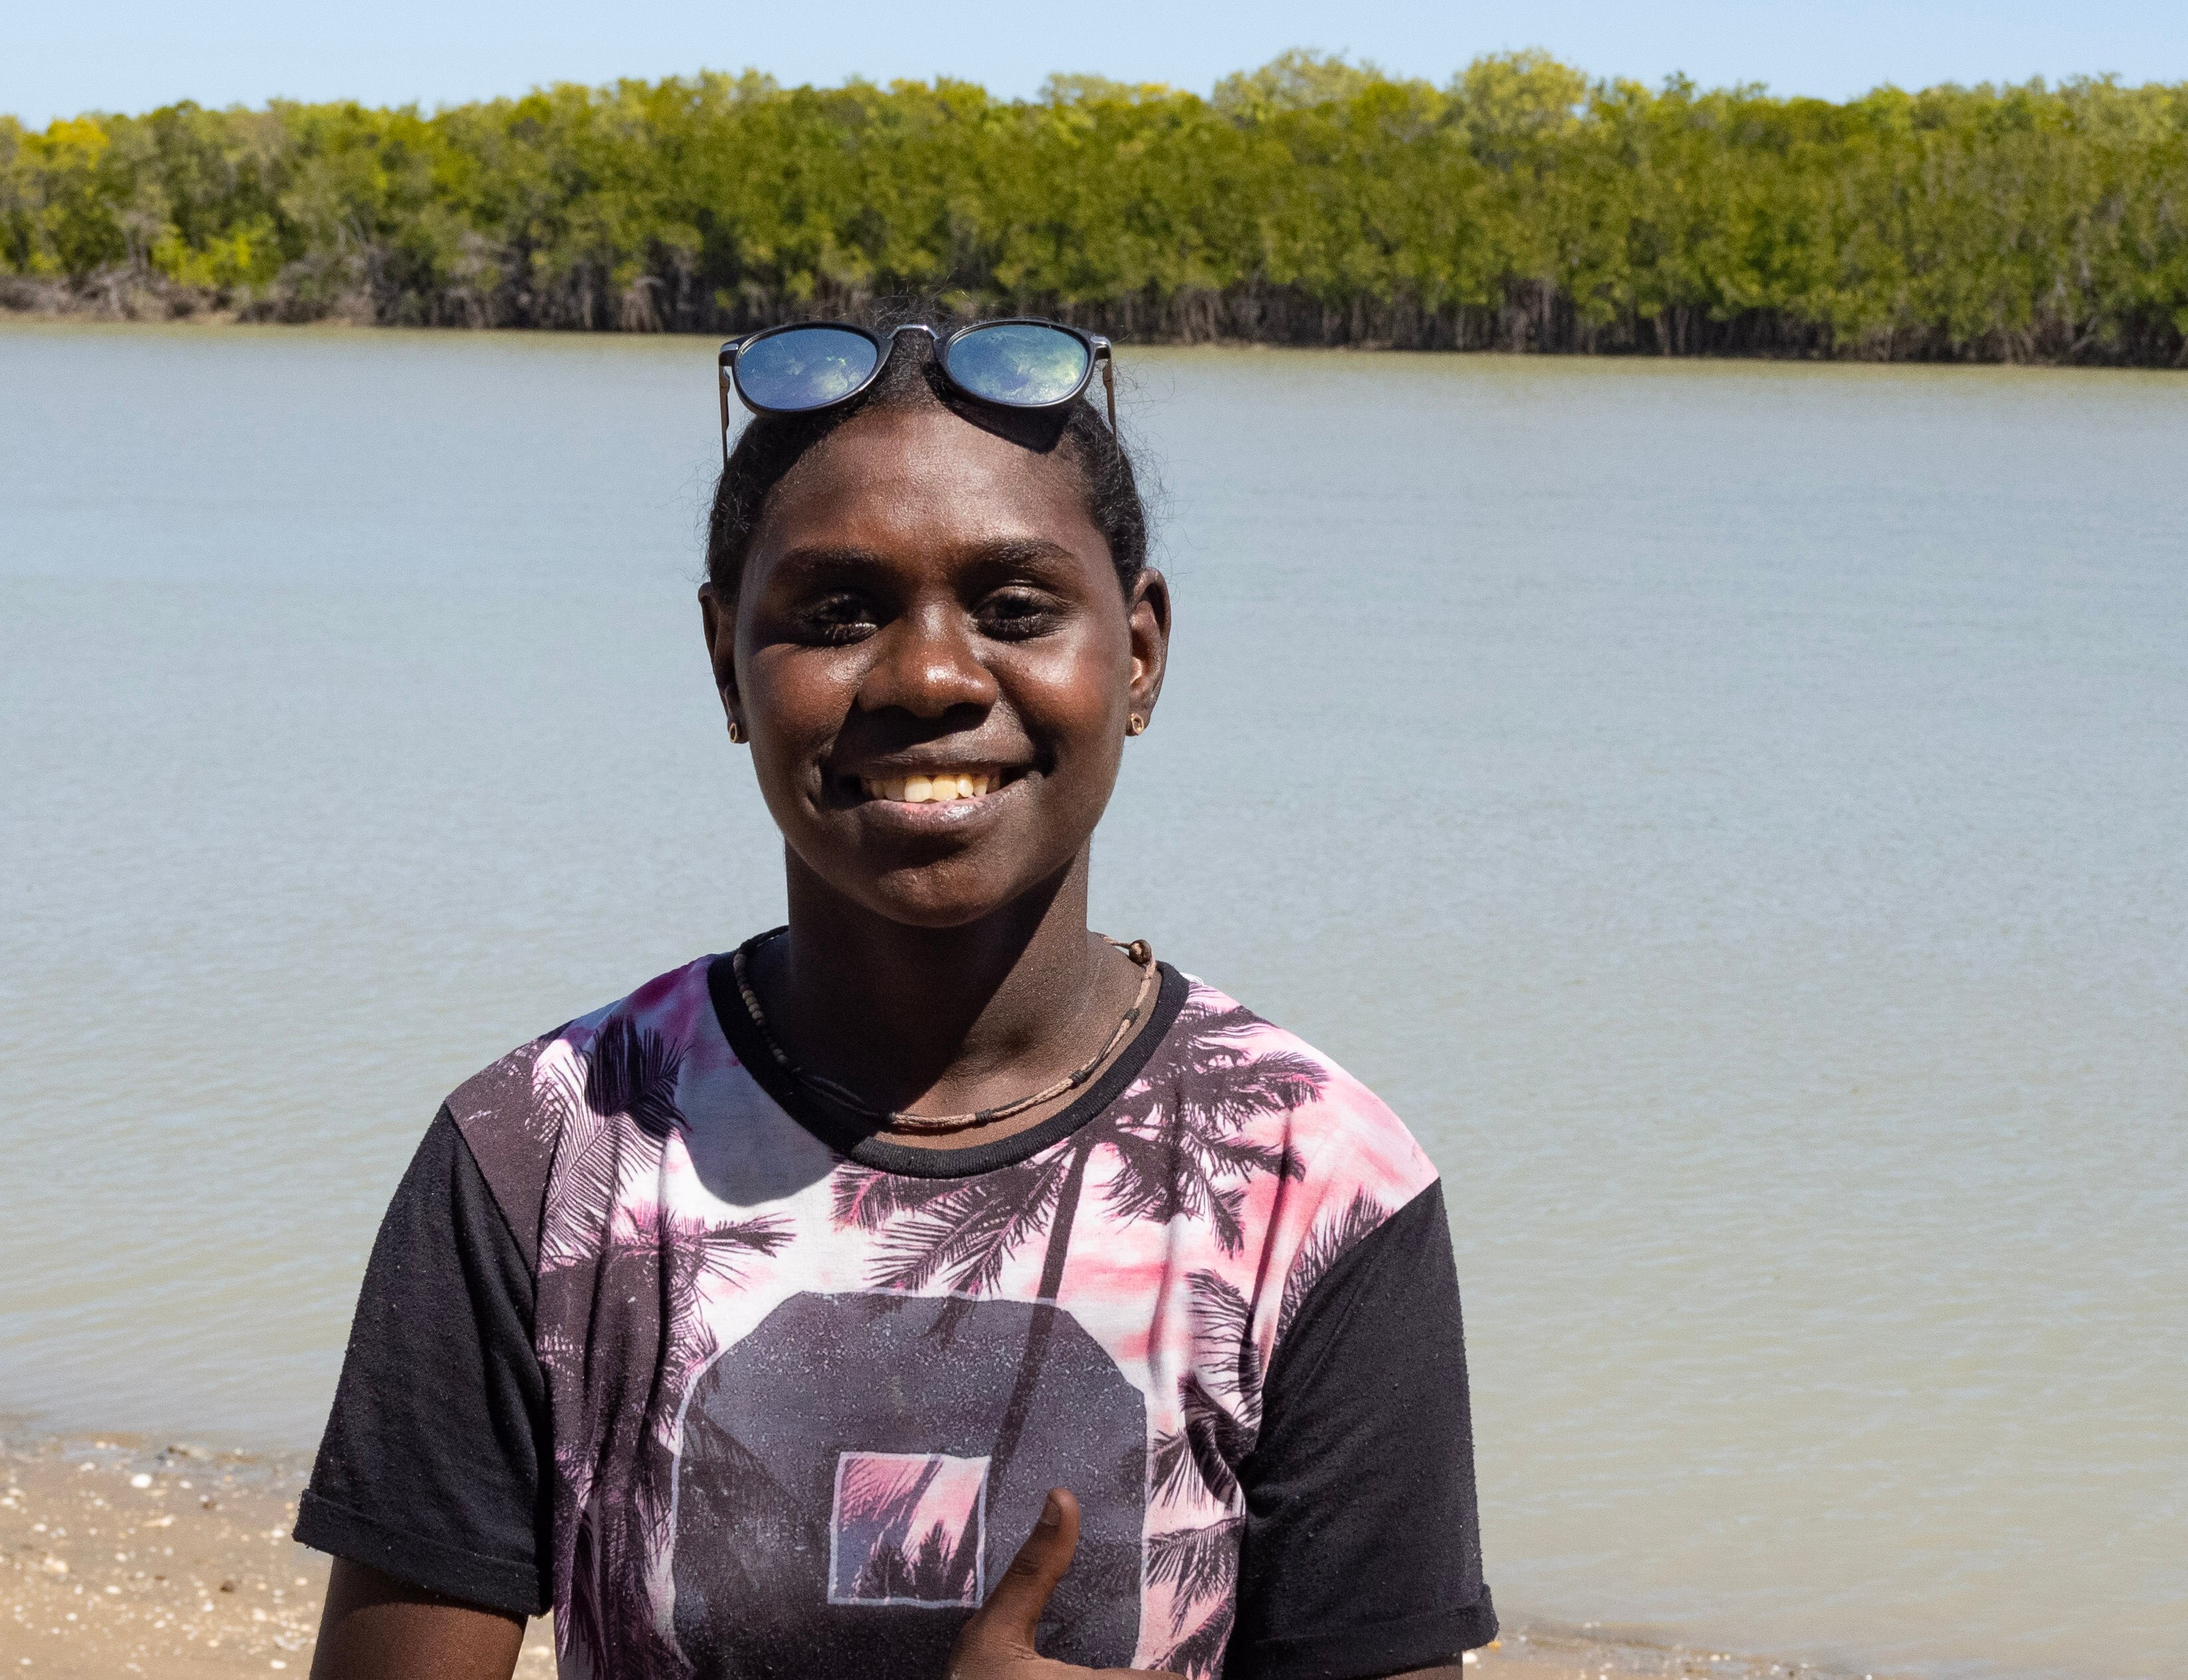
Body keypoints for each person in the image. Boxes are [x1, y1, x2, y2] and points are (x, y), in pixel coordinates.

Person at [296, 312, 1496, 1680]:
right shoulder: (543, 1154)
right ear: (723, 661)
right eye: (838, 612)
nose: (929, 674)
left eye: (1014, 608)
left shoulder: (1312, 1182)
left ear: (1141, 650)